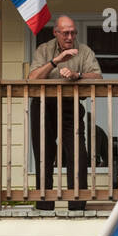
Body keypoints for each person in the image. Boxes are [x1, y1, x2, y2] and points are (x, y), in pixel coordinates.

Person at [28, 16, 101, 208]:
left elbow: (98, 77)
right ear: (56, 32)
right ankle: (44, 206)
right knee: (44, 153)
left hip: (70, 103)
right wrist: (56, 61)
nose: (70, 37)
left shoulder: (84, 51)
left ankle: (77, 205)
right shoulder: (44, 50)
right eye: (65, 33)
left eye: (73, 33)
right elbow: (32, 79)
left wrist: (78, 75)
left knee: (78, 153)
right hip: (43, 105)